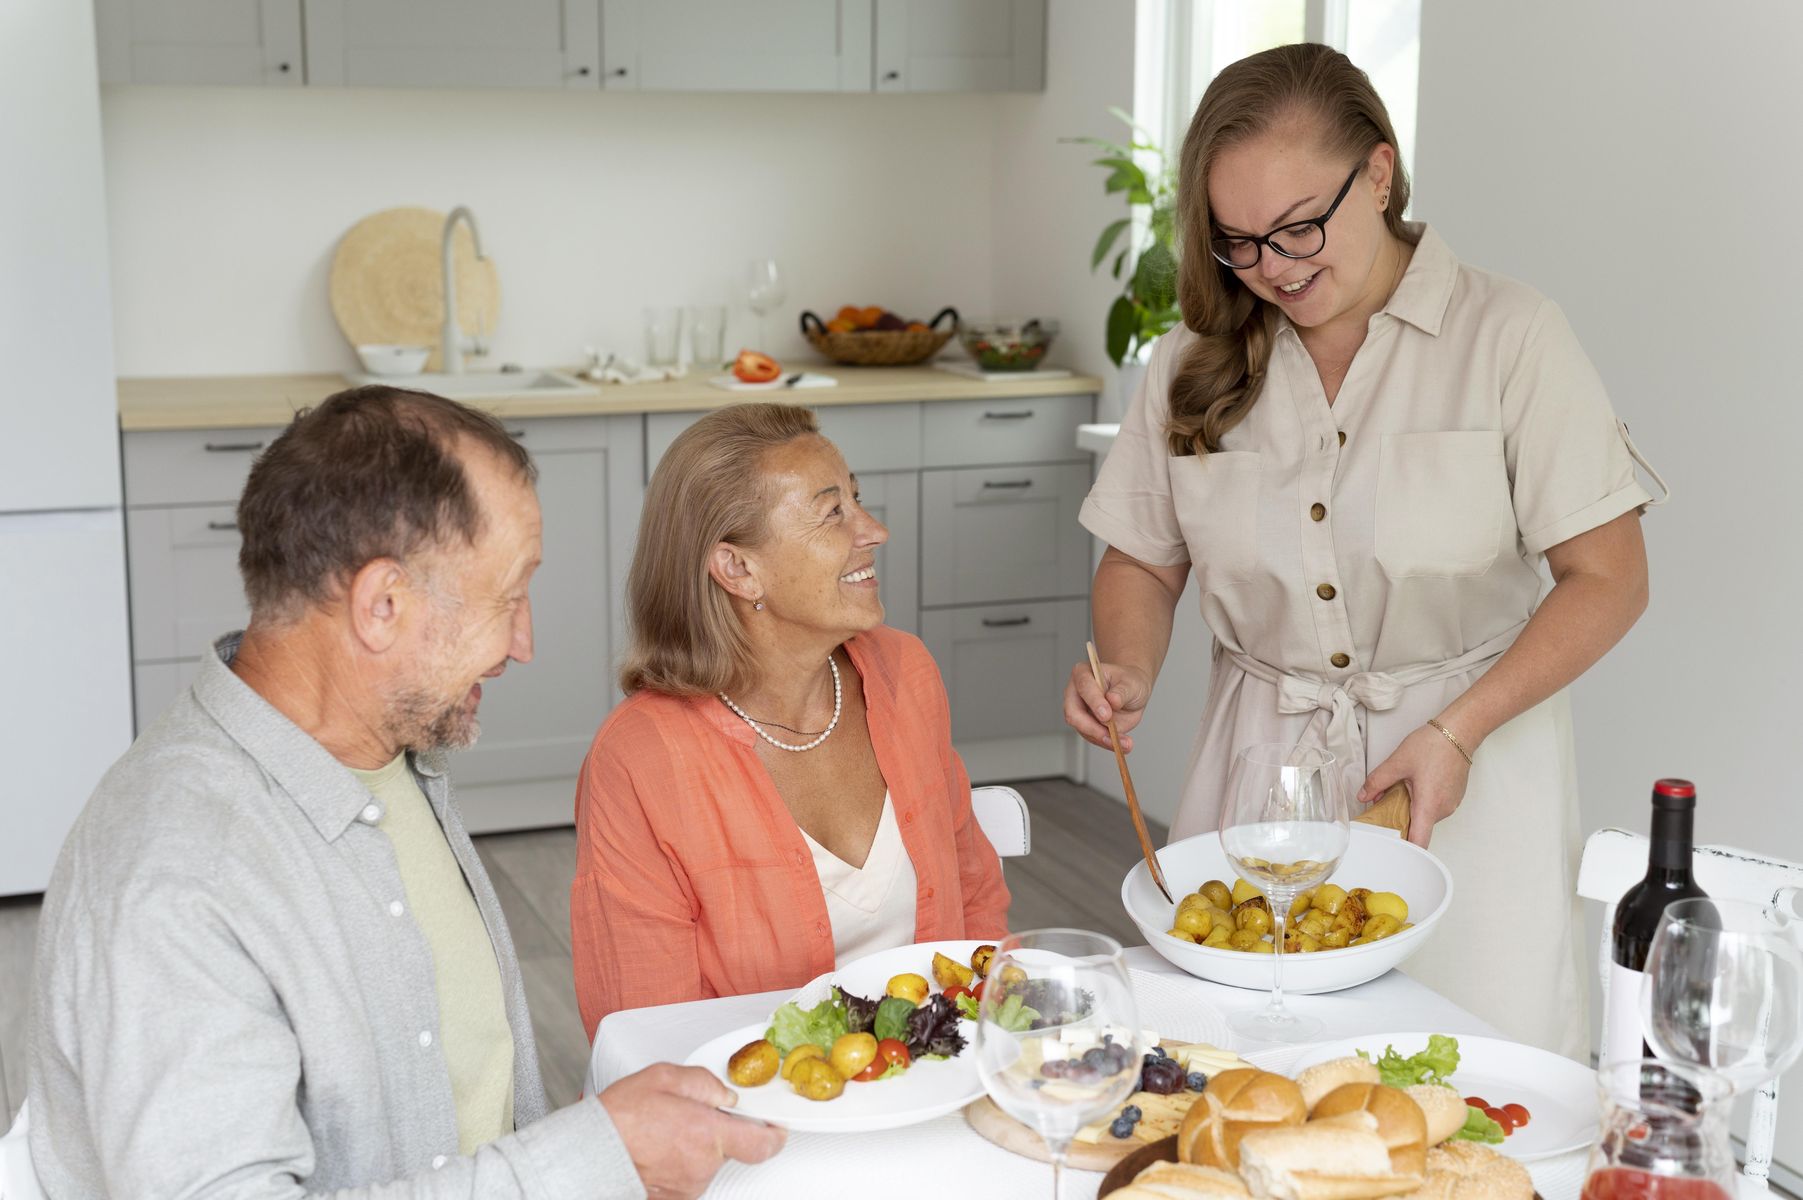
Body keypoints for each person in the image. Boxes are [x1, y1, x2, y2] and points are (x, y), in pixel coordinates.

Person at [27, 386, 784, 1197]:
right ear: (382, 606)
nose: (523, 644)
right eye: (509, 596)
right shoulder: (178, 874)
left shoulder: (385, 754)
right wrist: (596, 1161)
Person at [1064, 44, 1662, 1057]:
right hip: (1255, 792)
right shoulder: (1188, 365)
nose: (1277, 267)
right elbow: (1141, 559)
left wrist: (1460, 731)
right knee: (1250, 1086)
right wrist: (1125, 666)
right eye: (1239, 243)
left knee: (1469, 1098)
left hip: (1465, 791)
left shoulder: (1510, 339)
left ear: (1379, 173)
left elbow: (1609, 579)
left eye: (1301, 226)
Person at [572, 403, 1010, 1034]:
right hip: (755, 1116)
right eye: (832, 512)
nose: (874, 530)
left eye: (856, 500)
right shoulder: (639, 762)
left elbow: (976, 904)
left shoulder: (904, 673)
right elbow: (651, 1035)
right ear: (738, 568)